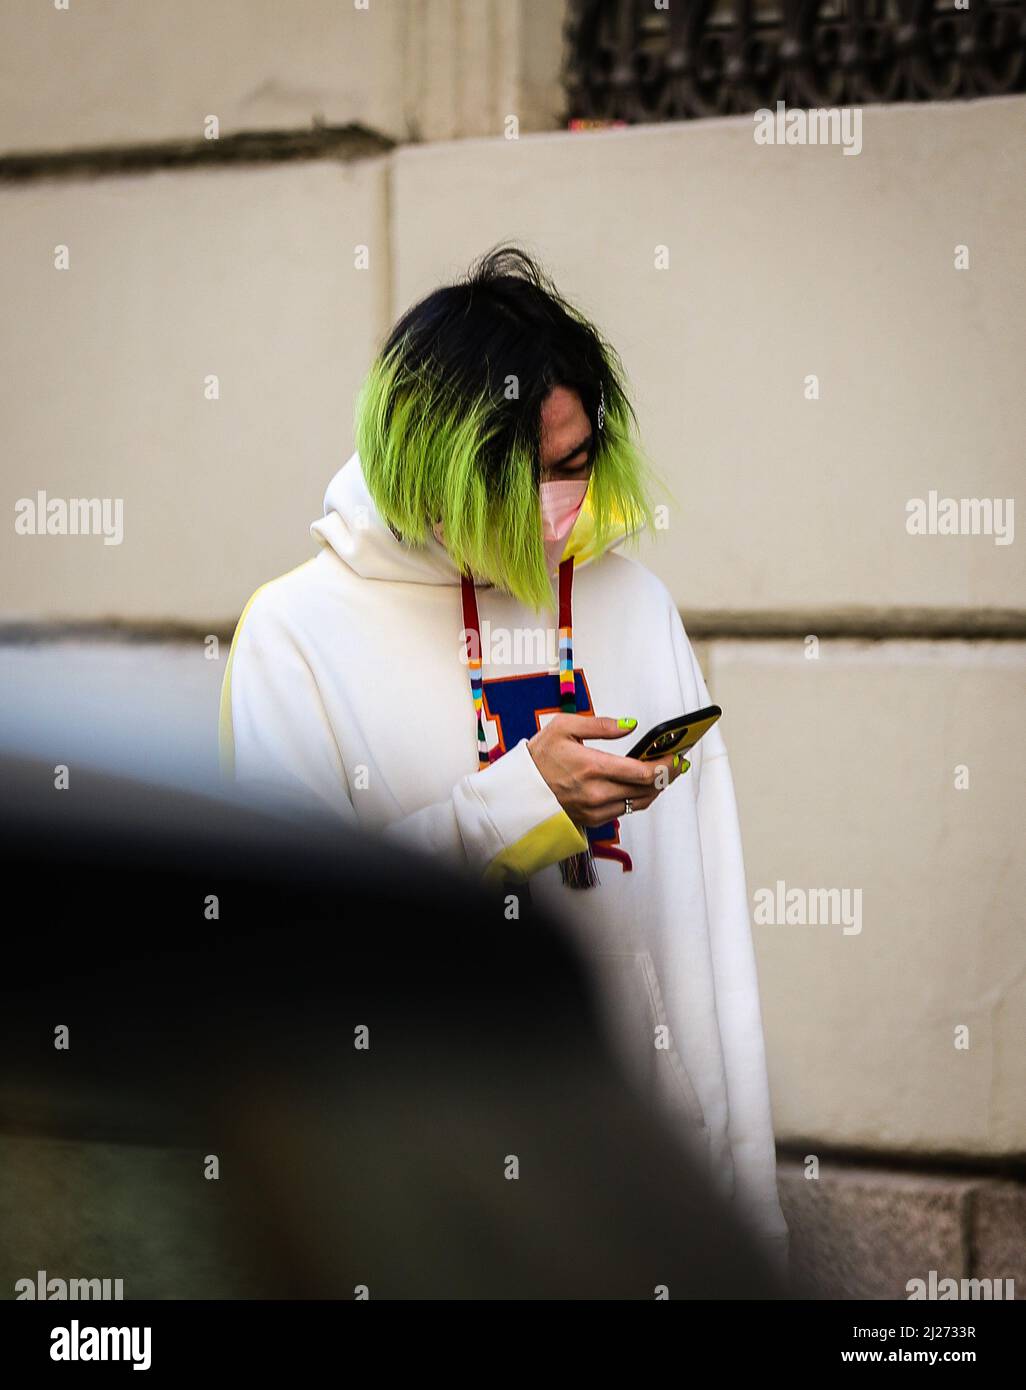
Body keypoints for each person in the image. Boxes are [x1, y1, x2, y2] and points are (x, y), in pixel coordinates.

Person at [219, 246, 790, 1276]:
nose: (558, 501)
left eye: (575, 462)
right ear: (427, 463)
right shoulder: (295, 633)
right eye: (522, 470)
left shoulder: (633, 602)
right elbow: (290, 950)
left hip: (631, 1206)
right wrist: (518, 804)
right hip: (422, 1219)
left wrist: (749, 1216)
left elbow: (705, 934)